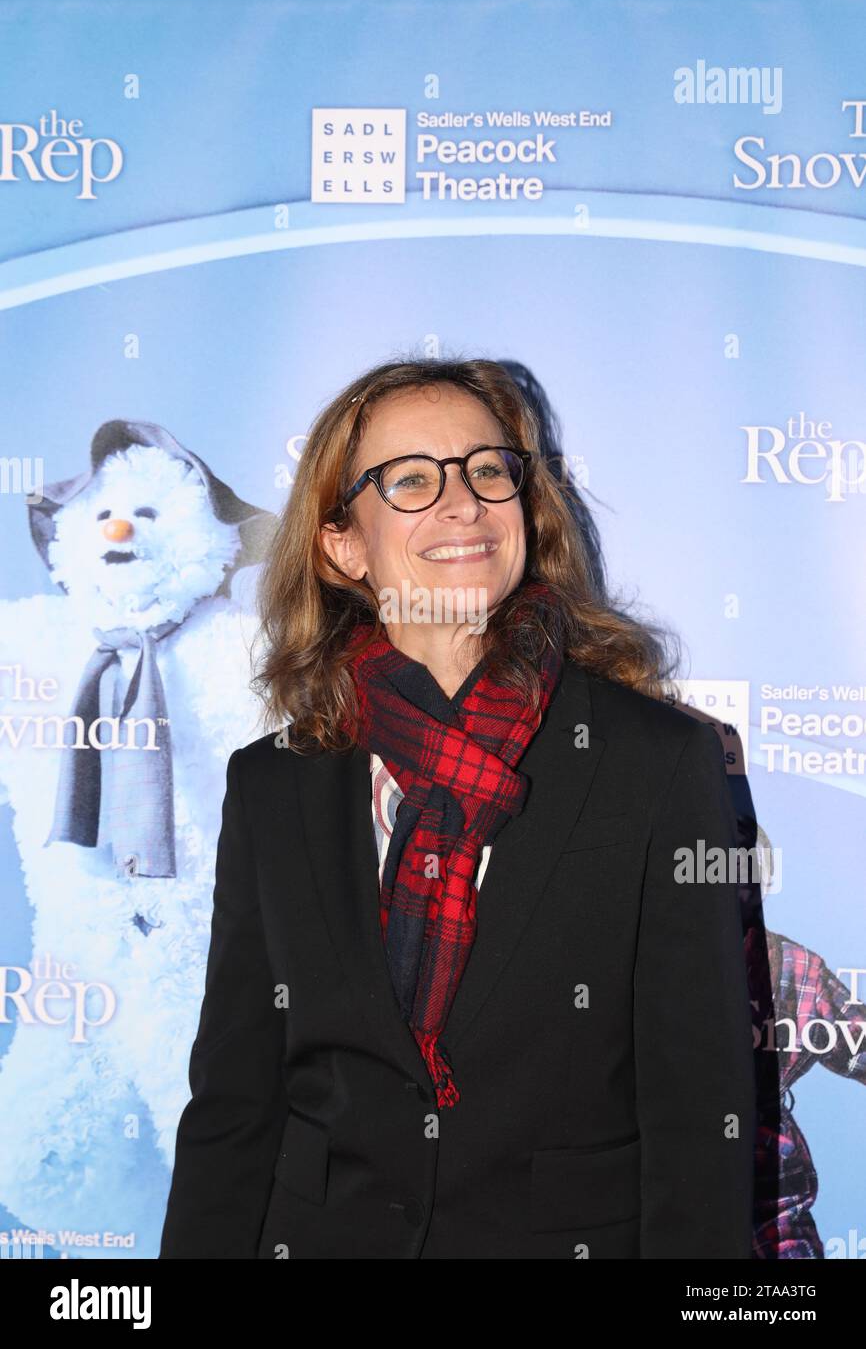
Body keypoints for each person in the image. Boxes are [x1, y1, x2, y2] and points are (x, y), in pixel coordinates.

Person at [159, 356, 756, 1260]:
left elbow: (697, 1113)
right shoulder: (275, 783)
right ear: (343, 545)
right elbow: (237, 1100)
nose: (463, 503)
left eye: (487, 470)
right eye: (410, 480)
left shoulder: (659, 765)